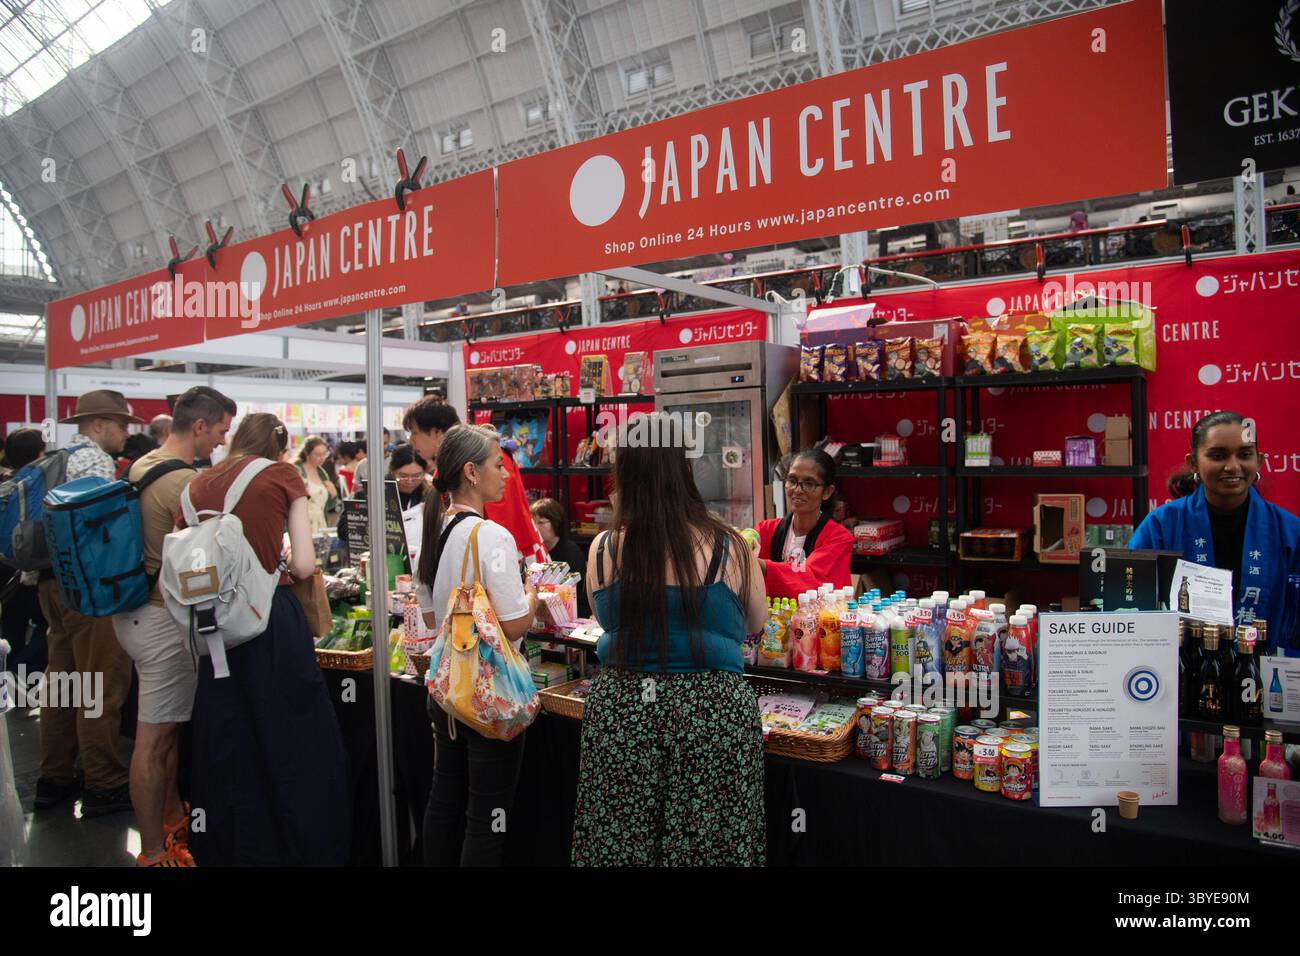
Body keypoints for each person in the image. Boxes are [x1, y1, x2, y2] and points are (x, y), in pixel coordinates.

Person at [573, 412, 767, 865]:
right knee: (712, 846)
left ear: (625, 475)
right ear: (685, 468)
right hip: (713, 716)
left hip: (624, 711)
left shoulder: (604, 547)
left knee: (619, 842)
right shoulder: (730, 545)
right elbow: (756, 622)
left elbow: (606, 619)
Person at [181, 413, 349, 865]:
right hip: (268, 618)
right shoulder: (280, 475)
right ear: (279, 445)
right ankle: (301, 843)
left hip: (212, 624)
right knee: (291, 732)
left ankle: (235, 844)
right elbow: (304, 567)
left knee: (229, 734)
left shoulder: (196, 485)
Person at [113, 386, 235, 866]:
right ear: (200, 426)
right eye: (220, 432)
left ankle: (168, 824)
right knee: (155, 739)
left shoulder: (144, 464)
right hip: (163, 619)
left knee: (162, 736)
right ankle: (150, 852)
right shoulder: (182, 482)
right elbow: (200, 558)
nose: (220, 444)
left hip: (132, 611)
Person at [416, 425, 538, 867]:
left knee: (444, 799)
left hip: (447, 689)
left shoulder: (434, 531)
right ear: (470, 471)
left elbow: (431, 618)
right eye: (496, 465)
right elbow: (513, 625)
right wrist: (535, 597)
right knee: (487, 819)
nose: (505, 474)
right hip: (487, 695)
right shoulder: (491, 536)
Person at [34, 390, 140, 816]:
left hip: (48, 586)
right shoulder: (93, 462)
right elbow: (104, 539)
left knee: (62, 682)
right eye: (121, 425)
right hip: (87, 592)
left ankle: (54, 776)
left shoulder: (55, 458)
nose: (125, 433)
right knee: (99, 684)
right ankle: (104, 781)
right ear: (98, 424)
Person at [1130, 411, 1300, 628]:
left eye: (1245, 454)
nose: (1232, 466)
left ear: (1259, 461)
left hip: (1267, 660)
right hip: (1180, 660)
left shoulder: (1291, 532)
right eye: (1218, 456)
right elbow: (1132, 604)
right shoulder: (1160, 527)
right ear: (1193, 463)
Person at [404, 396, 547, 563]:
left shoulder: (487, 456)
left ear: (437, 432)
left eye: (415, 432)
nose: (411, 441)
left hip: (510, 559)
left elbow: (504, 528)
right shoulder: (466, 459)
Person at [755, 448, 854, 599]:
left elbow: (810, 578)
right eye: (792, 481)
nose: (797, 490)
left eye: (809, 483)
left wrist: (760, 565)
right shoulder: (765, 530)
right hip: (773, 622)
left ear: (827, 492)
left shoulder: (839, 538)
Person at [0, 428, 48, 670]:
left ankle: (9, 675)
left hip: (6, 568)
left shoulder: (7, 484)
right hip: (29, 571)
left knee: (11, 627)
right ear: (41, 453)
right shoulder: (35, 486)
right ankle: (20, 677)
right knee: (43, 629)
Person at [530, 497, 590, 617]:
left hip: (572, 612)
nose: (536, 527)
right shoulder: (535, 552)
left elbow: (573, 592)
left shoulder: (570, 552)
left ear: (555, 522)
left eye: (541, 522)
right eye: (533, 522)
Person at [294, 435, 338, 532]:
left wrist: (333, 495)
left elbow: (328, 505)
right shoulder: (297, 471)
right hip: (302, 524)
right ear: (307, 453)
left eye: (324, 454)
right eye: (317, 455)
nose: (322, 458)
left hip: (321, 524)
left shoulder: (322, 473)